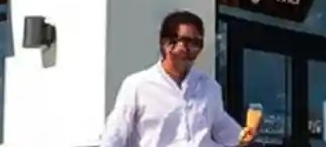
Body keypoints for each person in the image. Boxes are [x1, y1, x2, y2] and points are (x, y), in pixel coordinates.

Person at [101, 10, 259, 147]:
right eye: (186, 41)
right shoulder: (138, 86)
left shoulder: (209, 87)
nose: (191, 49)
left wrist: (246, 135)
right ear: (167, 43)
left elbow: (222, 128)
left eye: (197, 43)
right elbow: (116, 134)